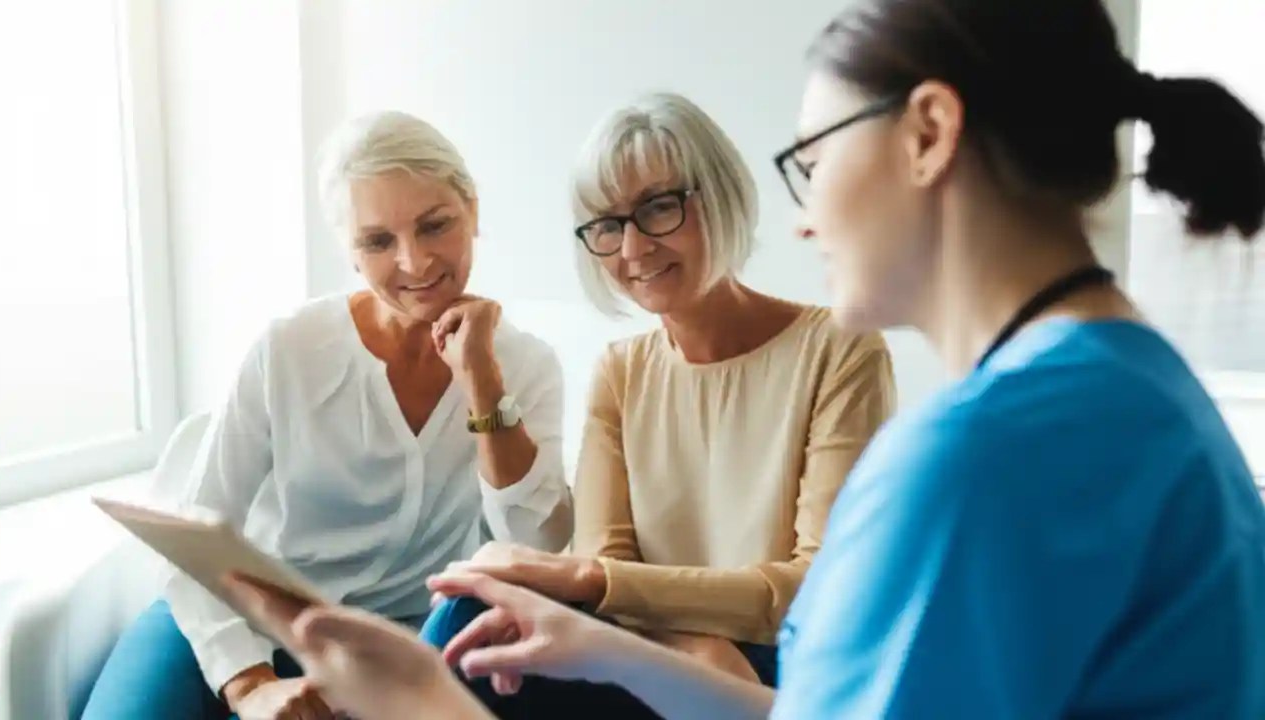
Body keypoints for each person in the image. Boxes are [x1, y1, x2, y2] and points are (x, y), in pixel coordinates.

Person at [225, 0, 1265, 717]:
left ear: (927, 133)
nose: (804, 218)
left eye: (809, 161)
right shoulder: (1130, 390)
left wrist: (413, 702)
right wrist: (608, 642)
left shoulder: (981, 454)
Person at [81, 111, 572, 720]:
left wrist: (483, 381)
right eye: (378, 242)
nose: (415, 263)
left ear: (471, 209)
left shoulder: (525, 364)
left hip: (395, 643)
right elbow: (192, 537)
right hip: (239, 614)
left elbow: (538, 544)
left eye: (435, 225)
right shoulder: (290, 348)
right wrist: (250, 683)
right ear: (349, 248)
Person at [417, 92, 894, 714]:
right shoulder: (621, 370)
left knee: (474, 621)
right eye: (608, 225)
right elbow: (603, 564)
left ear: (719, 196)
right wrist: (687, 645)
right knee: (473, 614)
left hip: (780, 661)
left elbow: (817, 588)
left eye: (659, 208)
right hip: (651, 649)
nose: (633, 249)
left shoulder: (838, 349)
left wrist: (601, 587)